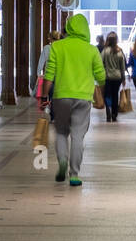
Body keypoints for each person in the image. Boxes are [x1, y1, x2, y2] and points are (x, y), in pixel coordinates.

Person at [40, 13, 105, 186]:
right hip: (83, 98)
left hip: (61, 97)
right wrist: (100, 87)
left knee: (61, 132)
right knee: (77, 136)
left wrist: (44, 96)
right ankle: (74, 174)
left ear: (69, 28)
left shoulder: (57, 47)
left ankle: (62, 160)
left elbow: (49, 74)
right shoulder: (91, 49)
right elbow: (101, 74)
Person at [101, 31, 126, 122]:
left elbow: (101, 63)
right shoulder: (119, 52)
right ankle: (114, 114)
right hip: (117, 77)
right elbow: (122, 67)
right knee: (115, 95)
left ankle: (108, 109)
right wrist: (123, 78)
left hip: (107, 77)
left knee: (107, 94)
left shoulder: (105, 51)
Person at [36, 30, 62, 104]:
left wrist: (39, 74)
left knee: (50, 95)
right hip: (60, 76)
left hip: (49, 76)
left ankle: (52, 110)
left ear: (50, 38)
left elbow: (41, 62)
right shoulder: (62, 48)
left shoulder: (47, 48)